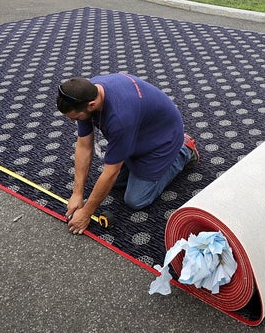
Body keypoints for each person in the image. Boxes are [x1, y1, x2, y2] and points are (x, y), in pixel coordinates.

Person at [57, 75, 198, 235]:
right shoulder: (85, 93)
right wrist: (77, 193)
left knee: (135, 199)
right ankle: (134, 159)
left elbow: (111, 172)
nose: (72, 121)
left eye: (75, 118)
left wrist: (86, 212)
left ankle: (184, 150)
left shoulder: (120, 117)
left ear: (92, 105)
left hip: (163, 140)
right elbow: (84, 146)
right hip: (138, 134)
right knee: (115, 184)